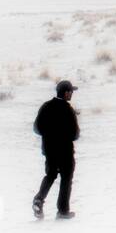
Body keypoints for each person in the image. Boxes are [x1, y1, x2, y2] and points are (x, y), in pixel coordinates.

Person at [33, 80, 80, 219]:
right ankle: (63, 211)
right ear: (66, 93)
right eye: (71, 91)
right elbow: (75, 134)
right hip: (65, 152)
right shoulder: (68, 110)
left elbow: (37, 128)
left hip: (49, 150)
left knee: (50, 175)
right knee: (66, 178)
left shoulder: (46, 106)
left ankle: (39, 199)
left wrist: (49, 135)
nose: (72, 94)